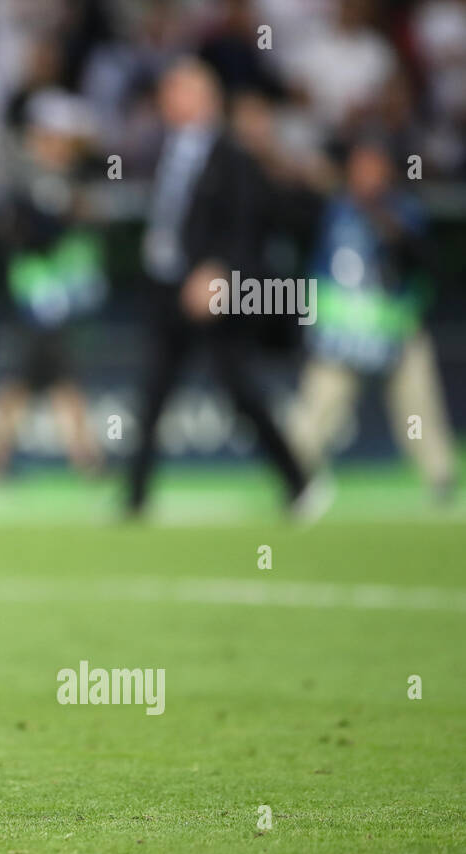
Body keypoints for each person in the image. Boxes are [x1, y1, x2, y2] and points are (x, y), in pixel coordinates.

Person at [126, 58, 321, 518]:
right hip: (168, 288)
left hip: (217, 292)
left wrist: (219, 272)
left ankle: (298, 482)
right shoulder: (165, 149)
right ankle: (135, 498)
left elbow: (246, 226)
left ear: (203, 98)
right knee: (153, 394)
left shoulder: (234, 155)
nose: (167, 100)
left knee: (239, 391)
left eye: (177, 91)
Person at [287, 137, 457, 502]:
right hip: (340, 335)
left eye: (374, 167)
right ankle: (294, 477)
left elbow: (425, 263)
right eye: (361, 167)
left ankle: (441, 480)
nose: (367, 176)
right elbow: (289, 217)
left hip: (395, 331)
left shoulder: (405, 212)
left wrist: (384, 219)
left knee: (418, 410)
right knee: (315, 411)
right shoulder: (330, 209)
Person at [0, 90, 105, 478]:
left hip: (60, 292)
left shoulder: (60, 177)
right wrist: (66, 216)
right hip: (39, 292)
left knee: (38, 376)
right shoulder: (25, 179)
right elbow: (23, 234)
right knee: (44, 375)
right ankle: (83, 457)